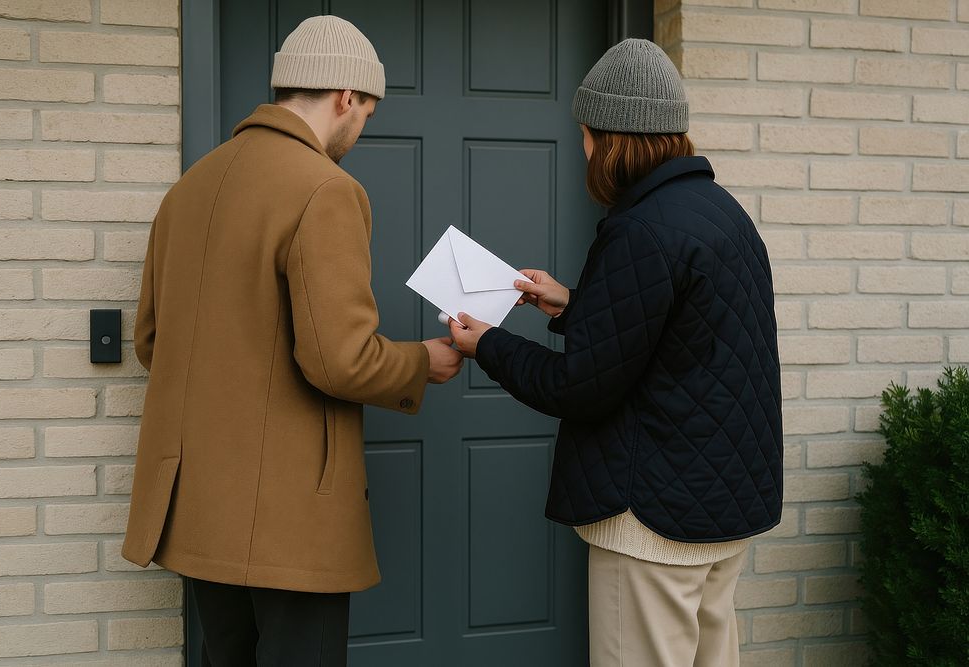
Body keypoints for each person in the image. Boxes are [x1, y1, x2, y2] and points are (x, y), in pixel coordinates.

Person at [122, 15, 463, 667]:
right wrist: (426, 360)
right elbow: (341, 358)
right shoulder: (326, 190)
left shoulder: (187, 190)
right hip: (289, 528)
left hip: (198, 512)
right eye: (366, 111)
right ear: (344, 98)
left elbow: (151, 342)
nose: (361, 130)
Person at [449, 38, 783, 667]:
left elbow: (581, 385)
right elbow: (680, 341)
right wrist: (572, 306)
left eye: (585, 134)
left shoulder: (641, 229)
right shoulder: (724, 215)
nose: (583, 150)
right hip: (720, 511)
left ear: (616, 137)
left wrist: (486, 343)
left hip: (653, 520)